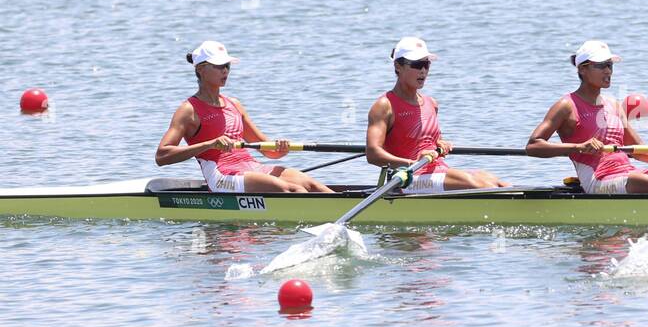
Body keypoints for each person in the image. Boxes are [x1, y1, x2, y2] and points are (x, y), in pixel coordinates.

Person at [526, 40, 648, 194]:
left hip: (627, 172)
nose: (608, 71)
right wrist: (579, 147)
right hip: (598, 179)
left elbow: (642, 153)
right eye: (601, 66)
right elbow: (533, 146)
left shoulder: (614, 105)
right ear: (582, 69)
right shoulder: (566, 105)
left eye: (610, 65)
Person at [155, 41, 333, 193]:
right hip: (221, 175)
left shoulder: (234, 104)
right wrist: (210, 144)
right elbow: (162, 156)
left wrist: (281, 149)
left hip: (250, 166)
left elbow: (267, 150)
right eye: (219, 66)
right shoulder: (188, 110)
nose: (225, 71)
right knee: (292, 190)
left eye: (227, 66)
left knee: (312, 185)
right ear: (201, 69)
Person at [365, 37, 508, 191]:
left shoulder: (431, 103)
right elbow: (373, 154)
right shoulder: (384, 105)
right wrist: (411, 163)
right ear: (398, 66)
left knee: (495, 181)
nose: (423, 71)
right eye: (417, 64)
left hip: (435, 172)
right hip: (407, 179)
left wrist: (441, 143)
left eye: (426, 64)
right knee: (479, 184)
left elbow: (428, 141)